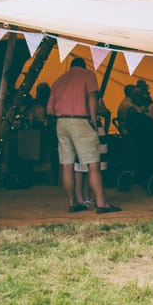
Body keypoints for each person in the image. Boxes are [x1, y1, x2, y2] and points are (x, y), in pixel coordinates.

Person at [46, 57, 119, 213]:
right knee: (93, 164)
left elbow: (49, 110)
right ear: (83, 66)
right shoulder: (88, 75)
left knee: (67, 165)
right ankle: (101, 203)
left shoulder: (58, 81)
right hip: (80, 121)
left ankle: (72, 202)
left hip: (61, 122)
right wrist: (93, 118)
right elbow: (93, 96)